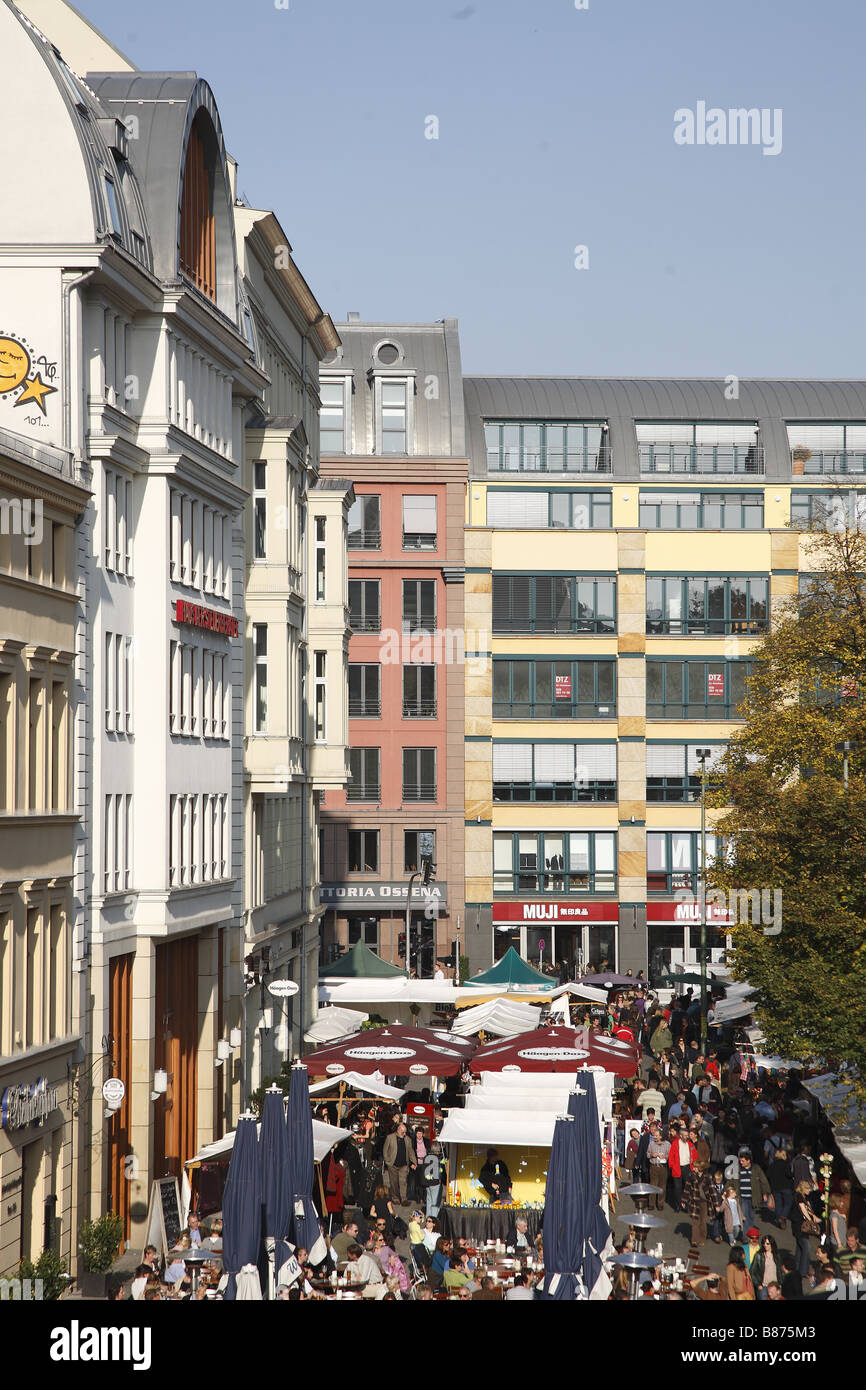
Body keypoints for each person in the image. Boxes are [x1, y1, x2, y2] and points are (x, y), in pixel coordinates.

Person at [791, 1180, 820, 1279]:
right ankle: (803, 1271)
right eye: (807, 1188)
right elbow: (803, 1210)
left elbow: (808, 1209)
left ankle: (797, 1268)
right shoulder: (798, 1196)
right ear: (803, 1188)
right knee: (806, 1247)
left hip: (801, 1225)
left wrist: (814, 1216)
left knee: (800, 1247)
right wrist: (811, 1220)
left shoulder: (804, 1197)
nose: (809, 1191)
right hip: (799, 1225)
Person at [382, 1123, 416, 1206]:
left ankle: (404, 1199)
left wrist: (414, 1162)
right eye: (403, 1132)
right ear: (398, 1130)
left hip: (404, 1164)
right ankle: (395, 1198)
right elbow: (385, 1150)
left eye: (405, 1132)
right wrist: (387, 1161)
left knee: (403, 1182)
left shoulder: (408, 1139)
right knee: (394, 1183)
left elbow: (411, 1151)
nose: (404, 1134)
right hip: (393, 1164)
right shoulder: (390, 1138)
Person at [683, 1161, 714, 1247]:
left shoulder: (707, 1177)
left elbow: (712, 1191)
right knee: (695, 1221)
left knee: (703, 1221)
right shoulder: (691, 1176)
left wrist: (716, 1204)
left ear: (700, 1168)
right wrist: (684, 1200)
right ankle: (694, 1240)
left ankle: (702, 1239)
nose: (693, 1169)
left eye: (695, 1167)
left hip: (704, 1202)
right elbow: (687, 1188)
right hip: (694, 1201)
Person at [667, 1126, 697, 1211]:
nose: (687, 1137)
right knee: (677, 1188)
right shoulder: (675, 1143)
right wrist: (672, 1166)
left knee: (687, 1187)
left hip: (687, 1168)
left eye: (687, 1135)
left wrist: (694, 1166)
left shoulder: (690, 1144)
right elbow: (671, 1155)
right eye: (685, 1135)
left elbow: (694, 1156)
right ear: (680, 1135)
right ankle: (677, 1205)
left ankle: (686, 1205)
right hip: (677, 1168)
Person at [768, 1145, 793, 1231]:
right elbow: (789, 1174)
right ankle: (783, 1216)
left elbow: (769, 1175)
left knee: (778, 1203)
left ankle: (779, 1217)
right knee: (788, 1203)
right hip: (786, 1186)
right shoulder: (786, 1164)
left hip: (775, 1187)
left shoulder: (772, 1165)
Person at [646, 1123, 670, 1211]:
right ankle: (651, 1204)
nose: (654, 1137)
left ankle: (660, 1203)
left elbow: (670, 1155)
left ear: (661, 1136)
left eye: (656, 1135)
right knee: (653, 1185)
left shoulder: (667, 1144)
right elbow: (647, 1154)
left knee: (662, 1186)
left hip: (663, 1167)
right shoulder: (651, 1144)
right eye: (654, 1135)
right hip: (654, 1166)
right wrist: (652, 1154)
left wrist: (665, 1157)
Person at [750, 1233, 780, 1299]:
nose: (765, 1245)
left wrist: (780, 1283)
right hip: (764, 1286)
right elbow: (752, 1272)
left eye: (767, 1243)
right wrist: (758, 1284)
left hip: (775, 1286)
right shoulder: (758, 1255)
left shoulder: (776, 1255)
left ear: (772, 1244)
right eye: (764, 1243)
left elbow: (780, 1271)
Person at [423, 1140, 444, 1218]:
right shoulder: (437, 1159)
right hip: (435, 1183)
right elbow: (438, 1172)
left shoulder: (426, 1157)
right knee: (435, 1203)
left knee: (429, 1201)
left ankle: (428, 1218)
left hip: (427, 1183)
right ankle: (433, 1219)